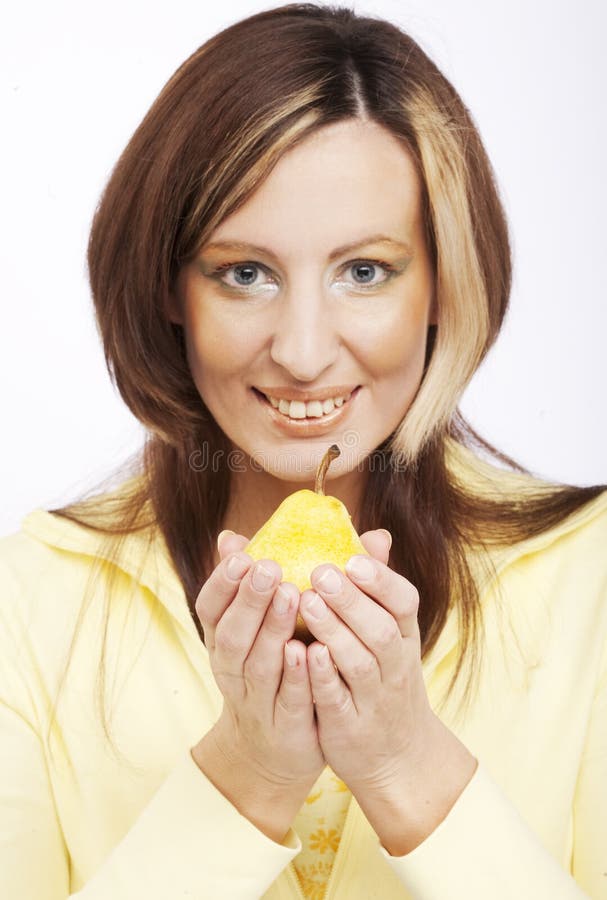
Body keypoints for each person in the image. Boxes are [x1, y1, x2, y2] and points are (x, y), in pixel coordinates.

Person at [1, 3, 606, 898]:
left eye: (364, 271)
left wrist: (405, 763)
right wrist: (249, 774)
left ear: (444, 281)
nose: (302, 349)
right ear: (170, 288)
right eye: (244, 273)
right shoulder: (31, 602)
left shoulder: (588, 577)